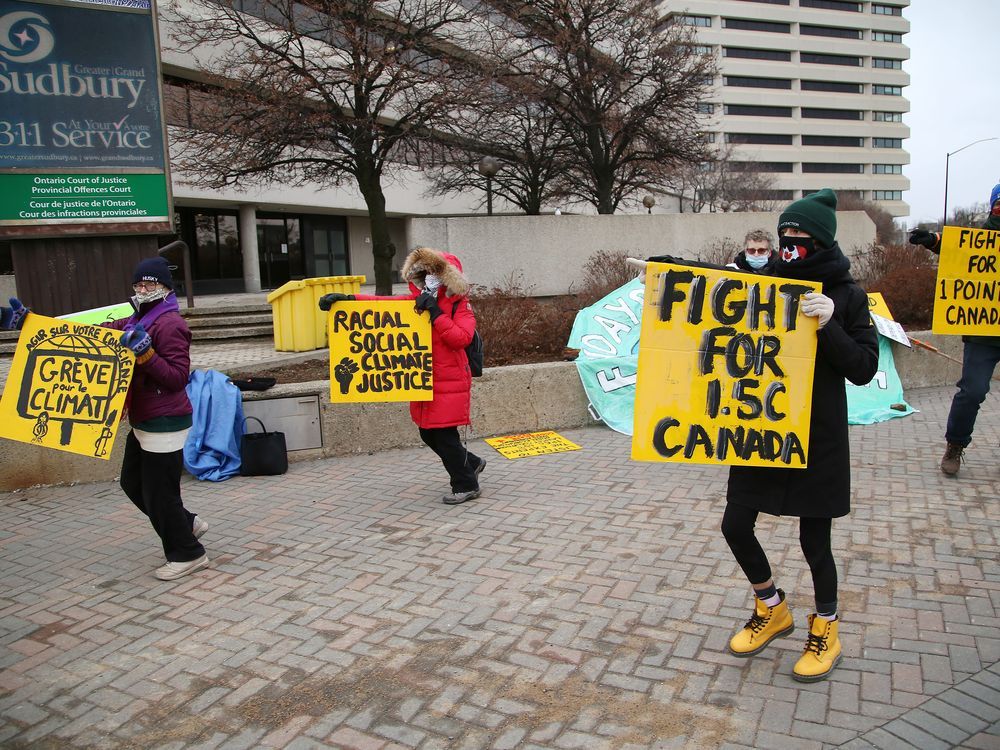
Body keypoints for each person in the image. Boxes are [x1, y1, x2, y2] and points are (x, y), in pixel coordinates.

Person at [722, 189, 878, 682]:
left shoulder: (849, 296)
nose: (789, 241)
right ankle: (771, 607)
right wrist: (663, 277)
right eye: (784, 232)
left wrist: (830, 323)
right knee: (735, 524)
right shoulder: (765, 286)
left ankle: (826, 629)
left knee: (815, 542)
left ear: (822, 239)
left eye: (799, 234)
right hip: (764, 430)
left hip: (817, 437)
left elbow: (863, 369)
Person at [0, 258, 209, 581]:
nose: (143, 289)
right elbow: (91, 335)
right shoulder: (137, 317)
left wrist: (146, 354)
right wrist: (35, 325)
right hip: (144, 418)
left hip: (164, 421)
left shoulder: (170, 324)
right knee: (132, 482)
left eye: (150, 284)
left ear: (166, 287)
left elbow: (177, 377)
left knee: (159, 493)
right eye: (139, 284)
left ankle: (188, 553)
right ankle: (186, 523)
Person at [318, 246, 485, 504]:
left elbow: (460, 338)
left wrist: (436, 313)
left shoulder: (460, 305)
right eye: (425, 274)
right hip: (421, 378)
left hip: (449, 379)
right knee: (427, 433)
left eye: (435, 274)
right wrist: (348, 301)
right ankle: (471, 462)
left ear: (447, 277)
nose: (429, 279)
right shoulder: (417, 301)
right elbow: (384, 306)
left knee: (444, 435)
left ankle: (466, 484)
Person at [909, 182, 1000, 476]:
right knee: (973, 391)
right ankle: (955, 445)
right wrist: (931, 240)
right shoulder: (979, 238)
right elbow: (956, 247)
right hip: (983, 334)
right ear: (992, 207)